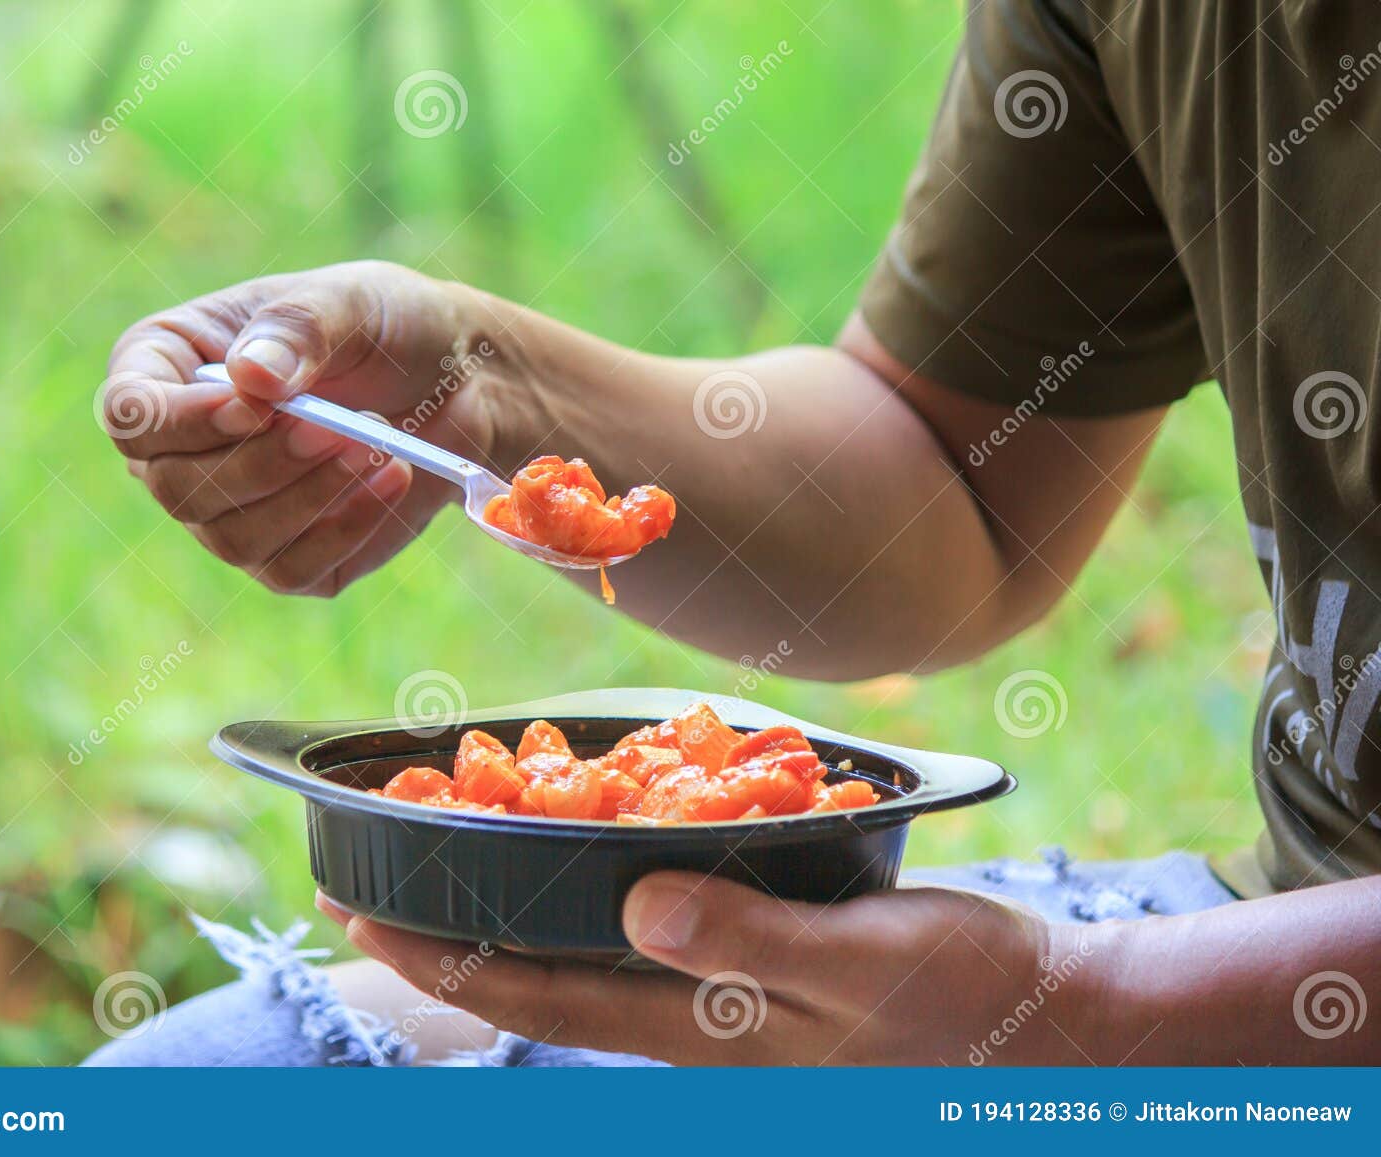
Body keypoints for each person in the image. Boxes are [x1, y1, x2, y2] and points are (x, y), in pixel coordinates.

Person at [87, 0, 1381, 1065]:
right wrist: (478, 387)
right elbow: (954, 486)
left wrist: (1091, 1010)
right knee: (186, 1088)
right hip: (1268, 923)